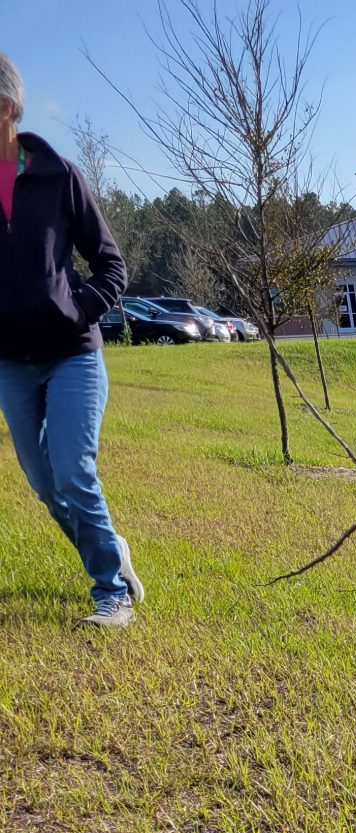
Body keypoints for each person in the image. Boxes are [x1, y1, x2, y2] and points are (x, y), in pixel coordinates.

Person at [0, 52, 142, 628]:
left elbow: (111, 265)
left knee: (71, 470)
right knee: (42, 482)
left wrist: (74, 311)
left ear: (4, 107)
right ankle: (111, 548)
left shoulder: (58, 176)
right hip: (10, 360)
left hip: (72, 355)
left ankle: (111, 592)